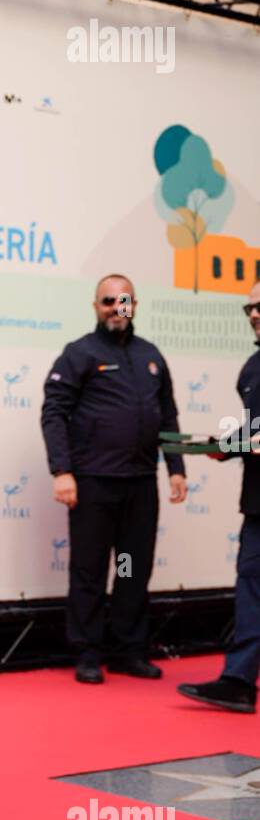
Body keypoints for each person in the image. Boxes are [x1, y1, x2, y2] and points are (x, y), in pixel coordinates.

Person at [41, 273, 187, 684]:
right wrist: (62, 471)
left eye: (123, 301)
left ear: (135, 305)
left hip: (140, 485)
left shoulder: (150, 356)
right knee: (89, 570)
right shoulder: (80, 354)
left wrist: (175, 468)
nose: (115, 308)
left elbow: (169, 416)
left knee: (129, 569)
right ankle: (87, 651)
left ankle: (128, 649)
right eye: (108, 301)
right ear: (96, 307)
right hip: (93, 484)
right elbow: (54, 412)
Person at [178, 281, 260, 713]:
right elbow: (255, 431)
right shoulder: (251, 368)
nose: (253, 314)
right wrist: (224, 445)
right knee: (251, 588)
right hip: (258, 505)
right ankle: (238, 681)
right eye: (248, 308)